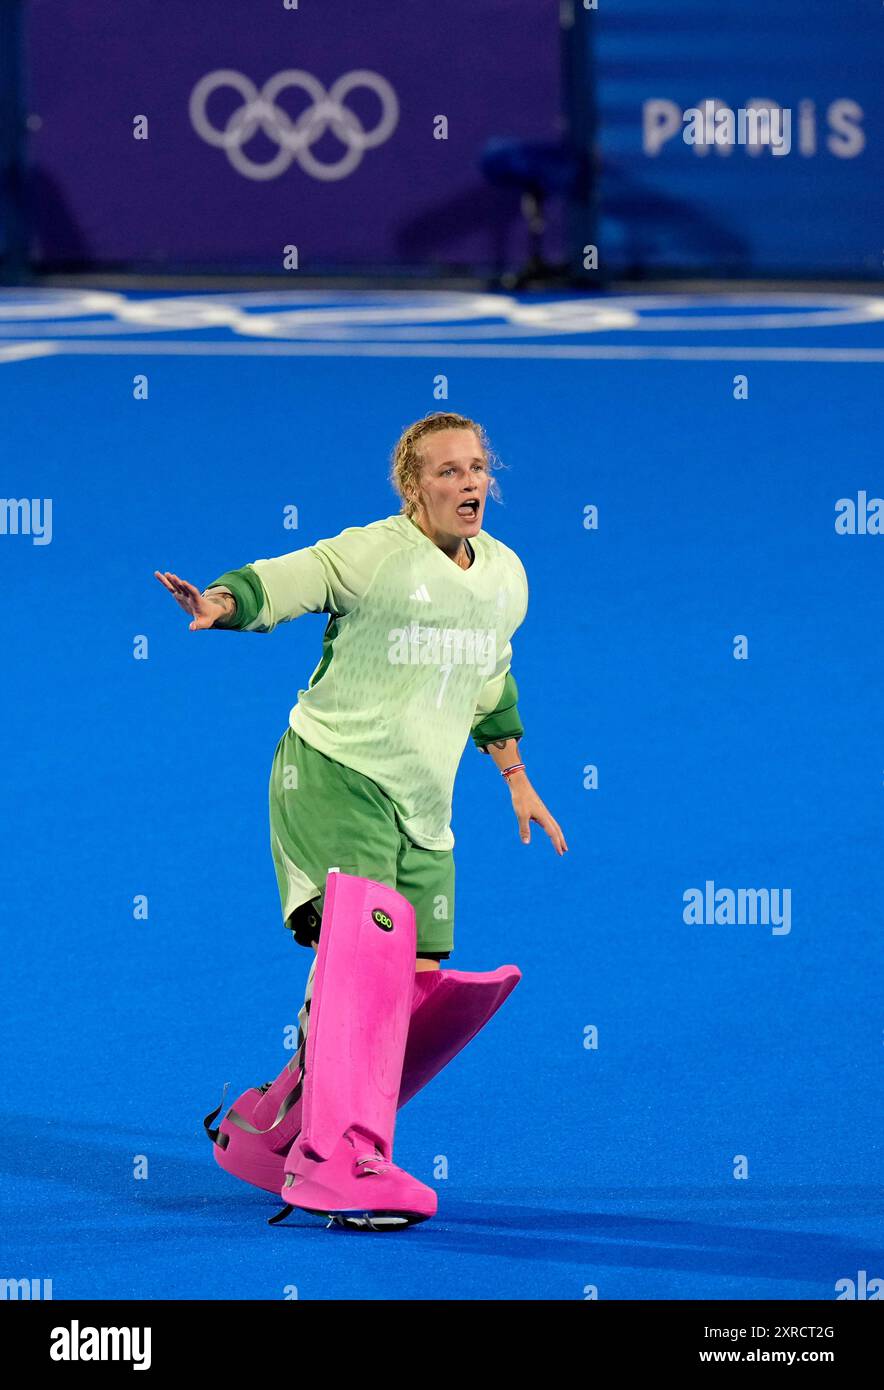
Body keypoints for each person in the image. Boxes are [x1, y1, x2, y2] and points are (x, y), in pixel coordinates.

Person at [155, 410, 567, 1223]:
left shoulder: (507, 575)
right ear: (412, 488)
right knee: (366, 965)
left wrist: (515, 774)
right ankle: (339, 1161)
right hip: (334, 774)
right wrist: (222, 601)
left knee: (411, 996)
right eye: (448, 471)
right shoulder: (374, 555)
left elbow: (489, 678)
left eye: (478, 467)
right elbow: (288, 578)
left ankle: (272, 1130)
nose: (470, 482)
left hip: (423, 808)